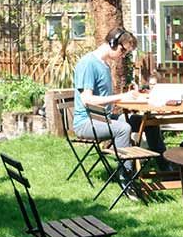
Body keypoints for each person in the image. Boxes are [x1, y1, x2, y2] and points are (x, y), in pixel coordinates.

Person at [71, 27, 166, 174]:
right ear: (113, 43)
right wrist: (121, 97)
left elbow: (104, 98)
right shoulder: (88, 64)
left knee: (148, 122)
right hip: (86, 122)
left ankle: (165, 168)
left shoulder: (104, 65)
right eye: (123, 51)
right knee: (123, 128)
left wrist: (133, 97)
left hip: (103, 118)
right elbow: (87, 100)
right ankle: (126, 176)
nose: (123, 55)